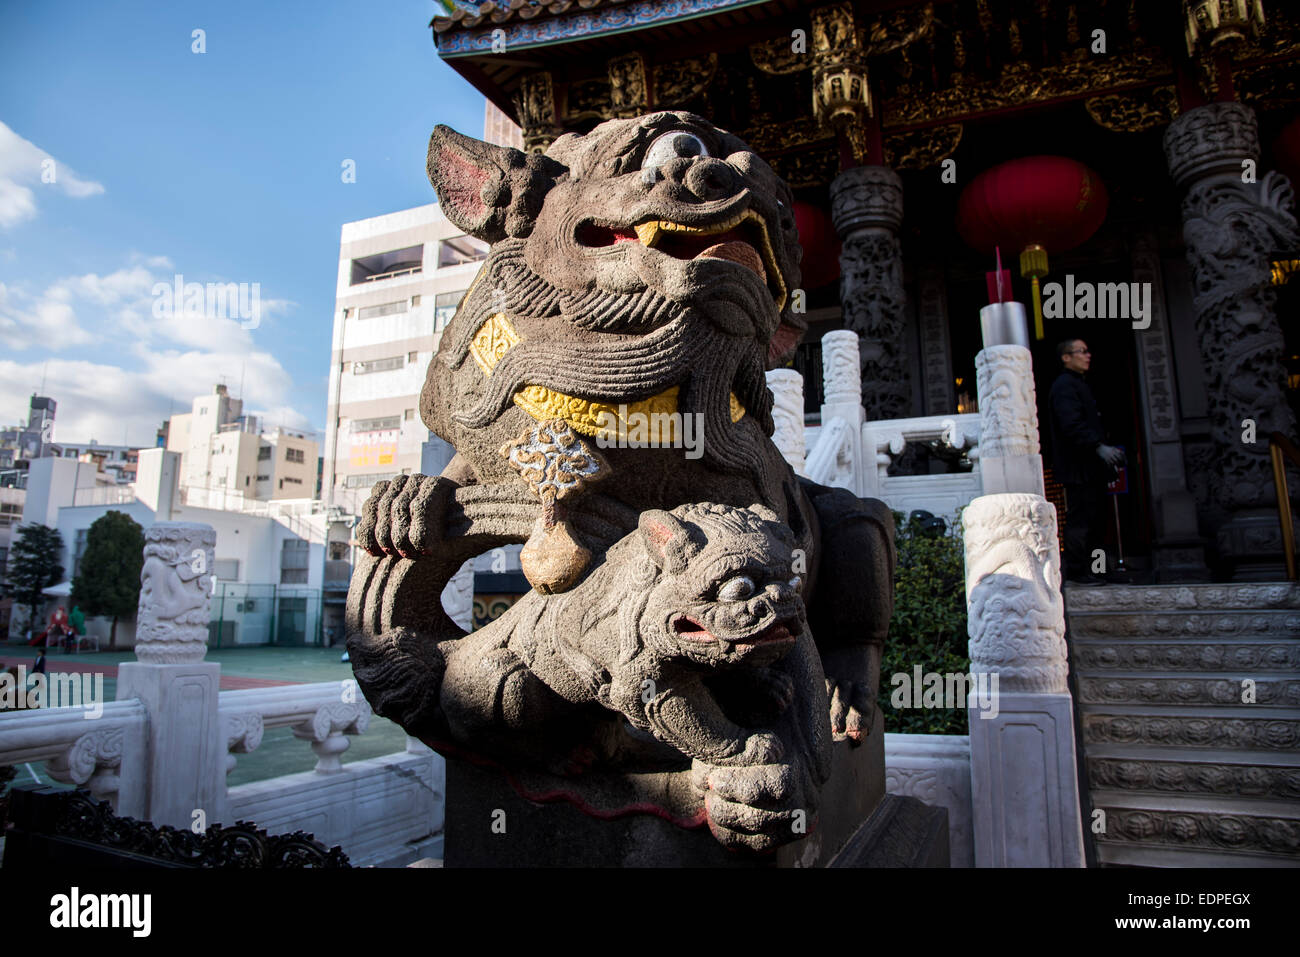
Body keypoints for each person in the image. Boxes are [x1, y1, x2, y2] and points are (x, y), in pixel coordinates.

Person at [1048, 338, 1125, 586]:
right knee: (1081, 521)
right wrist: (1098, 447)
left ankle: (1099, 569)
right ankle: (1079, 573)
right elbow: (1071, 425)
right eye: (1081, 351)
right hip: (1077, 467)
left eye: (1087, 350)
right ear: (1066, 357)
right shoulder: (1064, 387)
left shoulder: (1080, 385)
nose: (1087, 355)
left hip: (1092, 467)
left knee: (1097, 522)